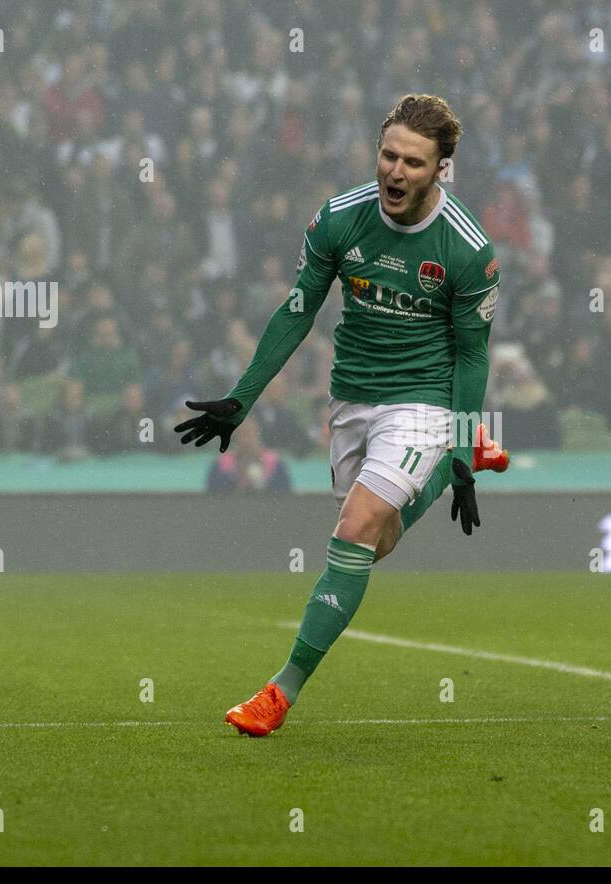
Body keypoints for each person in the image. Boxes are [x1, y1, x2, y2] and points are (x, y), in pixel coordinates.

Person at [175, 94, 509, 736]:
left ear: (442, 168)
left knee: (356, 528)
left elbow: (472, 357)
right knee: (370, 544)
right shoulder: (339, 218)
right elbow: (299, 308)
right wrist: (241, 400)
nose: (396, 171)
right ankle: (444, 464)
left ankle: (279, 692)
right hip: (354, 397)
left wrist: (459, 445)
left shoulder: (468, 251)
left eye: (414, 161)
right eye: (389, 155)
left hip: (425, 400)